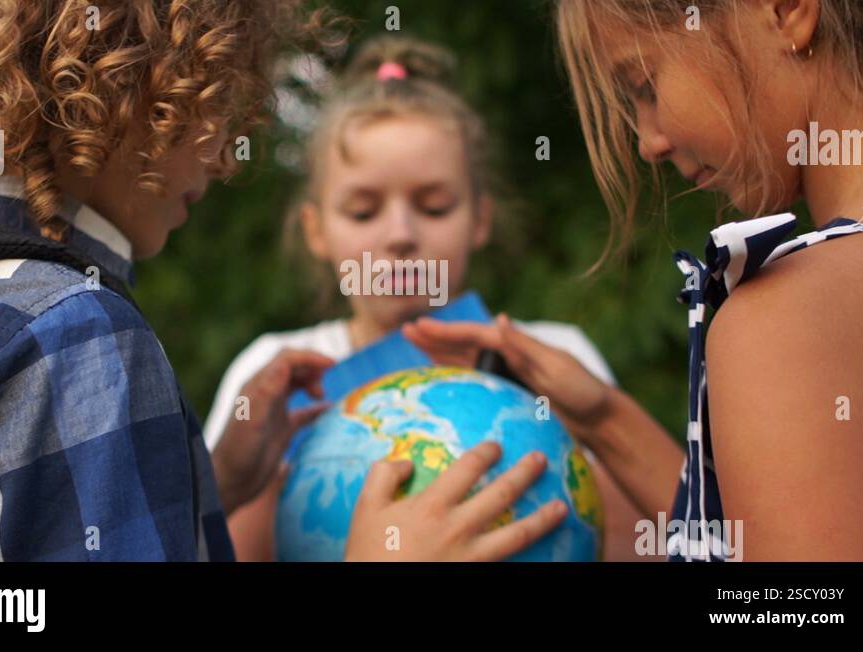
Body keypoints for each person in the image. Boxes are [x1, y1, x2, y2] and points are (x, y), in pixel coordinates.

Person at [0, 0, 565, 562]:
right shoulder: (73, 336)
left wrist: (216, 483)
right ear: (134, 87)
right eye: (217, 99)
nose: (223, 160)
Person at [405, 0, 863, 561]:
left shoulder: (791, 321)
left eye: (644, 86)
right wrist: (604, 421)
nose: (648, 142)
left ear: (784, 11)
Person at [205, 36, 647, 562]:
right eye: (364, 211)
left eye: (434, 206)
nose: (400, 235)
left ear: (479, 219)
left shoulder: (553, 357)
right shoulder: (270, 374)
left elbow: (639, 544)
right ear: (315, 229)